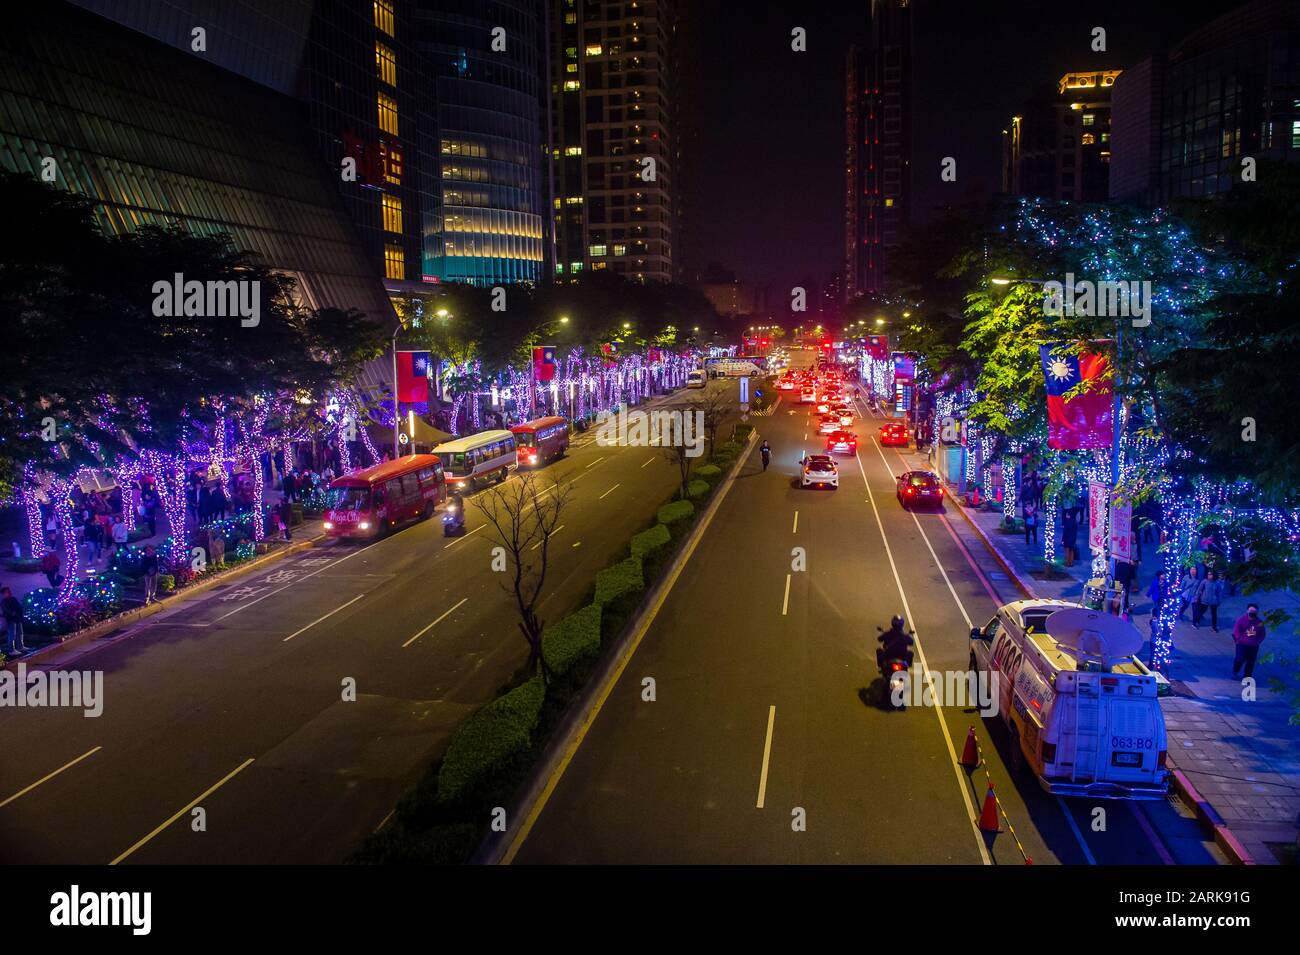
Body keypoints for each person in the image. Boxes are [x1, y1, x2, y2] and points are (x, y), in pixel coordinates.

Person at [1231, 604, 1267, 679]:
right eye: (1251, 611)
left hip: (1253, 646)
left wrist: (1258, 642)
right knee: (1239, 659)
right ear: (1247, 611)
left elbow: (1262, 634)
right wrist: (1240, 640)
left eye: (1254, 611)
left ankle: (1247, 677)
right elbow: (1236, 632)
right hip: (1242, 645)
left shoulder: (1259, 622)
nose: (1253, 613)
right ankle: (1235, 670)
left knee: (1251, 662)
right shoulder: (1241, 620)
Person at [2, 586, 27, 655]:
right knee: (12, 635)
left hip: (18, 619)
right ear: (4, 594)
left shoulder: (13, 599)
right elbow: (7, 611)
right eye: (7, 592)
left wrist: (20, 614)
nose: (9, 593)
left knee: (20, 633)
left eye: (9, 591)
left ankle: (20, 646)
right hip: (11, 620)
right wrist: (14, 614)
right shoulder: (4, 602)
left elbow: (19, 607)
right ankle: (11, 650)